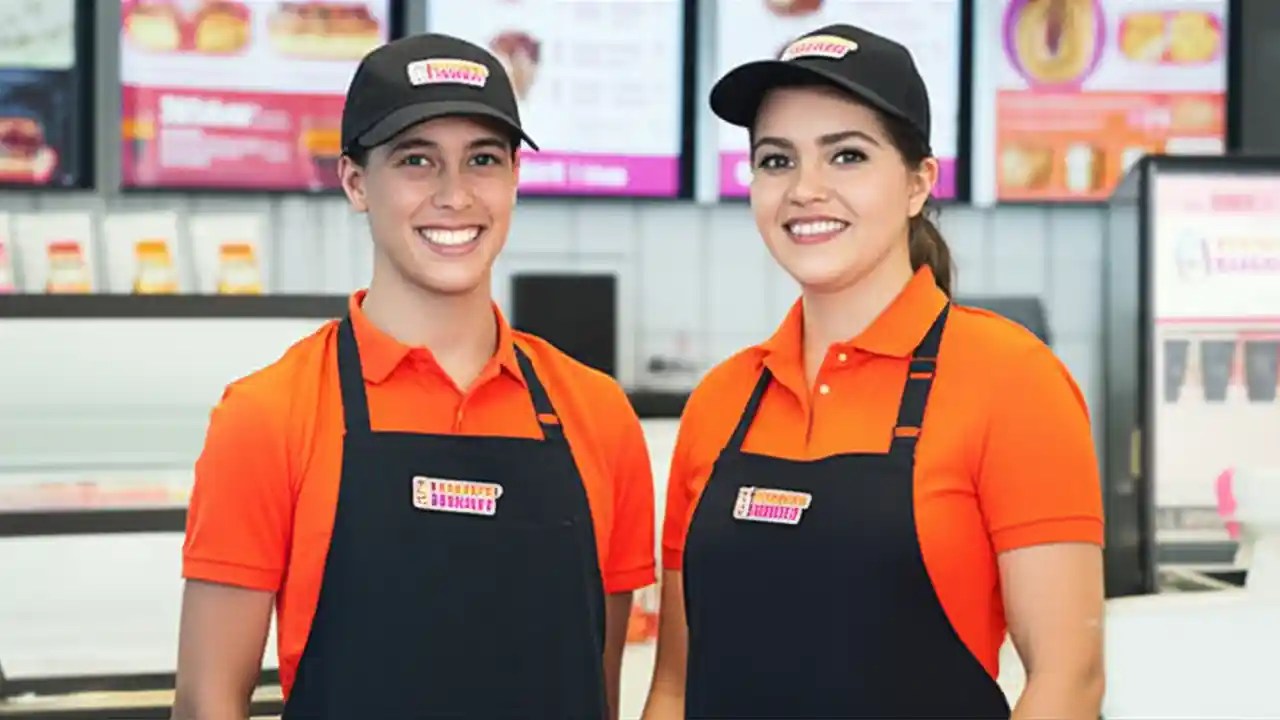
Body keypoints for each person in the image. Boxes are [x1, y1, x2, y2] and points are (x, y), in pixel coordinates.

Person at [172, 33, 656, 720]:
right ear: (355, 182)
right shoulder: (268, 415)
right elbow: (207, 703)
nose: (454, 195)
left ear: (515, 177)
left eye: (482, 159)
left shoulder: (598, 415)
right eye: (416, 160)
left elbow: (595, 689)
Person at [641, 24, 1105, 720]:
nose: (806, 189)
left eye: (847, 156)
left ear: (919, 183)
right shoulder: (723, 400)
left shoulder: (1011, 380)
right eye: (776, 160)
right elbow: (675, 688)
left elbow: (1069, 681)